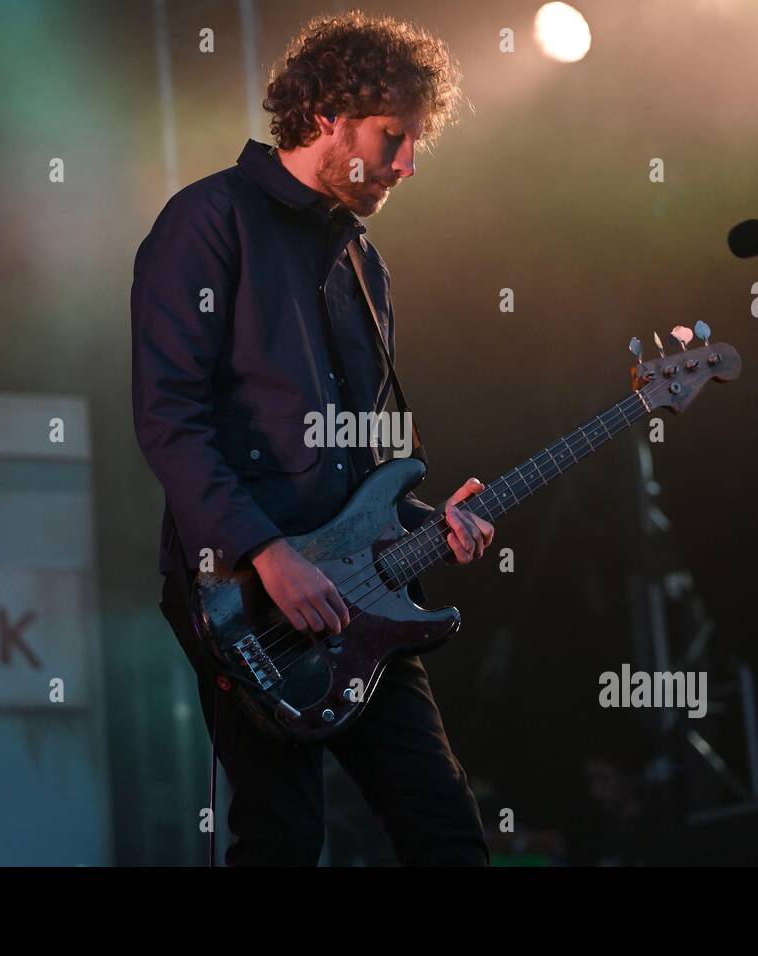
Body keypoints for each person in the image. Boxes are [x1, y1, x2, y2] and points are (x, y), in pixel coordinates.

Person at [131, 10, 493, 866]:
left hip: (357, 594)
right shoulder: (207, 220)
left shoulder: (364, 265)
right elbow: (167, 417)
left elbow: (364, 464)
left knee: (448, 835)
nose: (406, 163)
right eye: (391, 136)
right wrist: (265, 551)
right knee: (284, 837)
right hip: (239, 596)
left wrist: (430, 522)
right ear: (328, 116)